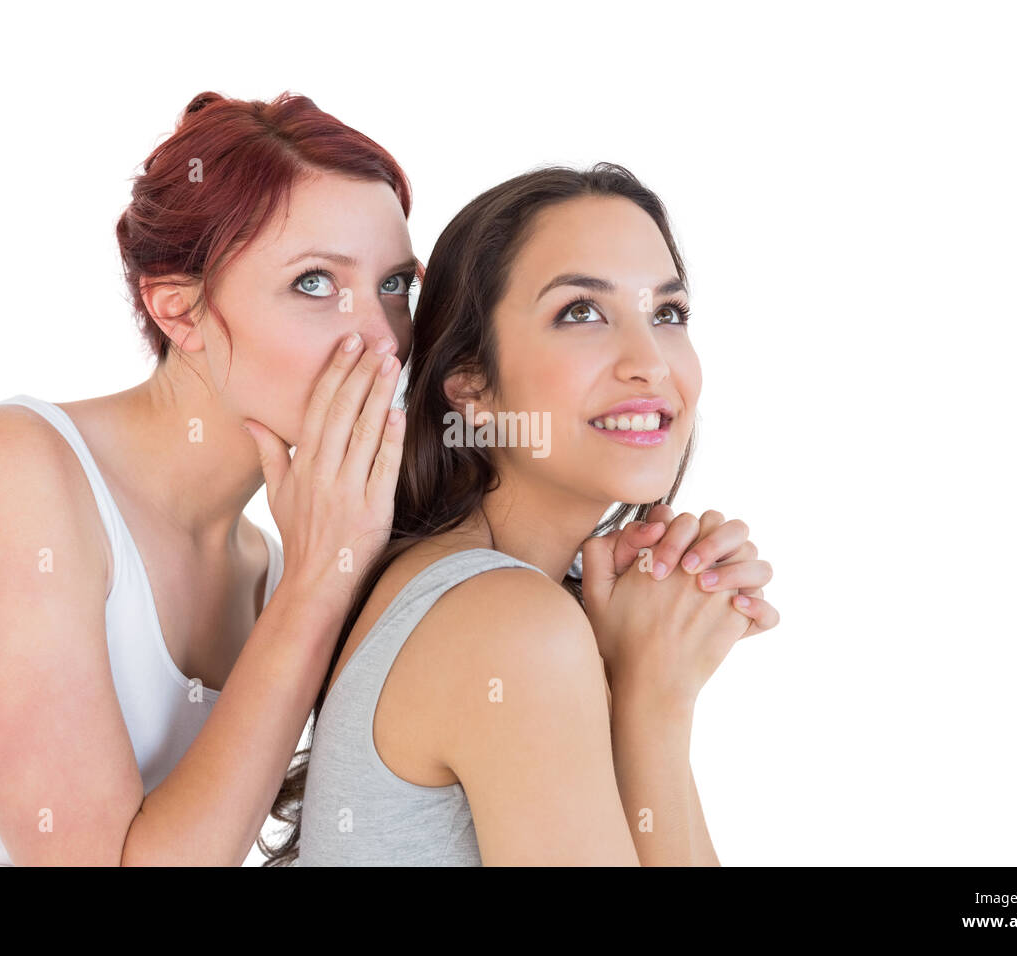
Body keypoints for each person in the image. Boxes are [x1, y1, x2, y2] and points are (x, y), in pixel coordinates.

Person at [0, 90, 415, 865]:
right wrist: (319, 583)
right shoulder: (6, 471)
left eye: (395, 286)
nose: (382, 338)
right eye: (314, 282)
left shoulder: (269, 564)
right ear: (179, 311)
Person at [280, 164, 779, 866]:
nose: (651, 364)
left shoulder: (501, 599)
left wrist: (640, 668)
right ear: (472, 387)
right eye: (581, 311)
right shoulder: (507, 625)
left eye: (667, 313)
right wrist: (653, 703)